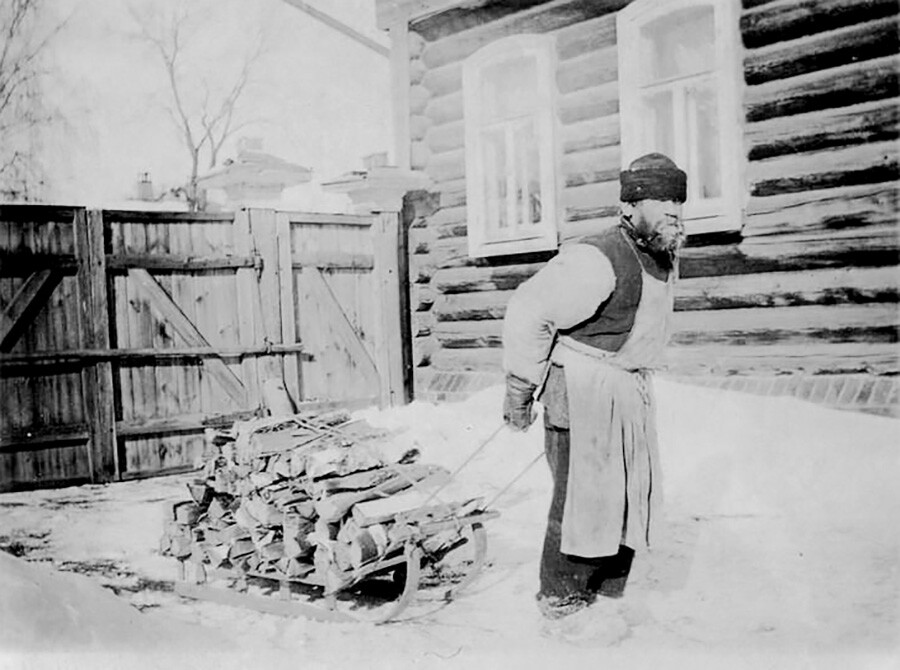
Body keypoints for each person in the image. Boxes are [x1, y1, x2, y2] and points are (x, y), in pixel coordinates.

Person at [501, 152, 687, 620]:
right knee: (579, 494)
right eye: (659, 200)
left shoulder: (660, 253)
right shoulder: (597, 256)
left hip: (623, 390)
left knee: (623, 490)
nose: (672, 210)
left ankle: (604, 592)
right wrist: (520, 391)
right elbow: (529, 312)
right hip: (580, 392)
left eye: (677, 201)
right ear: (628, 206)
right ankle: (562, 595)